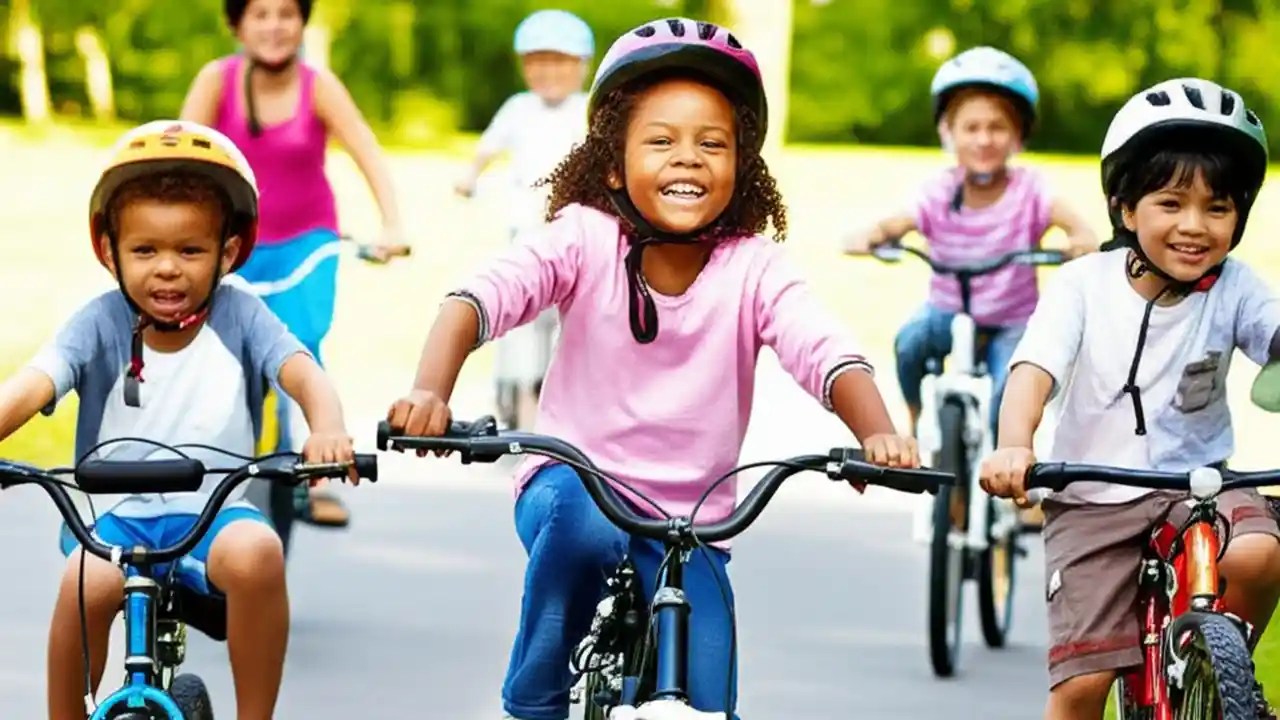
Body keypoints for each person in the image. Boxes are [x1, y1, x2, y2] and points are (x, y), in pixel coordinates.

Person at [387, 17, 919, 720]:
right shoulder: (583, 236)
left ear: (743, 165)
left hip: (691, 522)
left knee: (710, 685)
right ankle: (535, 697)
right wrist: (431, 390)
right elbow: (481, 298)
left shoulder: (754, 268)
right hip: (573, 484)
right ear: (614, 162)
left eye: (713, 144)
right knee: (579, 530)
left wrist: (877, 432)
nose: (688, 159)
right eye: (661, 141)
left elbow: (821, 347)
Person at [0, 120, 357, 720]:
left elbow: (303, 373)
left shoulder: (244, 316)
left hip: (215, 512)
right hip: (112, 518)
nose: (167, 268)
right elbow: (31, 387)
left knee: (258, 555)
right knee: (83, 583)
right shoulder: (98, 322)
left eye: (190, 250)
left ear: (230, 251)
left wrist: (327, 426)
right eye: (145, 250)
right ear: (107, 249)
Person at [978, 78, 1280, 720]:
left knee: (1258, 553)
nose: (1194, 226)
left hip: (1200, 483)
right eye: (1171, 203)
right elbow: (1033, 372)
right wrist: (1015, 445)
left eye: (1218, 208)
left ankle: (1223, 676)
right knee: (1082, 689)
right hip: (1094, 498)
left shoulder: (1234, 288)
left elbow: (1275, 331)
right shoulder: (1083, 285)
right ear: (1125, 208)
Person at [179, 0, 407, 532]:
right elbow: (180, 153)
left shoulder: (317, 85)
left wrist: (392, 225)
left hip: (309, 244)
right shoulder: (217, 80)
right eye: (259, 14)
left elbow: (367, 152)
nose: (274, 26)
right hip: (234, 249)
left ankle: (320, 469)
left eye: (286, 13)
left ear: (303, 21)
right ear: (236, 24)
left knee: (298, 339)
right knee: (216, 358)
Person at [843, 46, 1098, 442]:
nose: (983, 139)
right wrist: (869, 237)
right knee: (909, 343)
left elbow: (1080, 230)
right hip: (946, 310)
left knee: (1010, 395)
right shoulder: (938, 191)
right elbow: (894, 224)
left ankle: (1012, 467)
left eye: (997, 127)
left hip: (1011, 320)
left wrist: (1079, 243)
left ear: (1018, 135)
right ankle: (914, 417)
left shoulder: (1030, 192)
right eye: (971, 127)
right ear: (949, 132)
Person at [453, 8, 594, 430]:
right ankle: (529, 422)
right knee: (524, 325)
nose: (548, 72)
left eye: (560, 62)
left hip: (576, 235)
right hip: (527, 233)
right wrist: (469, 177)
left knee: (577, 322)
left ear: (582, 66)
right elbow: (487, 148)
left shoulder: (587, 111)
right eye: (537, 62)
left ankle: (572, 414)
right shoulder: (519, 108)